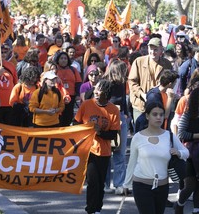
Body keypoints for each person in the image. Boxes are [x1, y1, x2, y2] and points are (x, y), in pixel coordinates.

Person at [123, 102, 189, 214]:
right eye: (155, 114)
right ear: (147, 116)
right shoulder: (138, 137)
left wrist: (178, 152)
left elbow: (186, 152)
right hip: (141, 186)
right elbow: (132, 162)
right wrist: (126, 183)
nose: (159, 117)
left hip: (162, 187)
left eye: (161, 114)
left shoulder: (169, 136)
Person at [74, 78, 121, 214]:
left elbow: (112, 135)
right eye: (96, 89)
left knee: (100, 184)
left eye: (99, 89)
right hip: (88, 150)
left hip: (104, 152)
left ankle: (97, 209)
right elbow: (75, 123)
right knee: (92, 181)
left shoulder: (113, 110)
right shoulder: (86, 105)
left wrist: (99, 132)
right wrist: (85, 129)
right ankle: (90, 209)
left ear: (106, 93)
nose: (95, 91)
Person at [128, 37, 172, 122]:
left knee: (156, 133)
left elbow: (171, 82)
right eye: (150, 49)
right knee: (140, 133)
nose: (152, 52)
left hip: (158, 106)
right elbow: (132, 81)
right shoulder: (139, 61)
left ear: (161, 50)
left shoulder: (167, 64)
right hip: (141, 105)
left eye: (155, 49)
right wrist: (142, 95)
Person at [103, 59, 128, 195]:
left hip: (121, 117)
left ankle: (119, 183)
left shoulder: (122, 83)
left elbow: (123, 100)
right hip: (108, 119)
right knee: (106, 152)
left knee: (119, 153)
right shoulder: (105, 84)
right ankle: (105, 183)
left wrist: (126, 114)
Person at [176, 87, 199, 214]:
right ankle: (179, 205)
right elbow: (181, 133)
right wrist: (196, 136)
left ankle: (196, 210)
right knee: (190, 186)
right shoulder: (188, 115)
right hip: (190, 155)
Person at [55, 51, 82, 126]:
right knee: (59, 115)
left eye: (65, 58)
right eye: (61, 58)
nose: (63, 60)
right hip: (58, 96)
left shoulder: (73, 70)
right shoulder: (55, 69)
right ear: (58, 60)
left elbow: (78, 82)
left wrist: (77, 94)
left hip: (71, 95)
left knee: (69, 114)